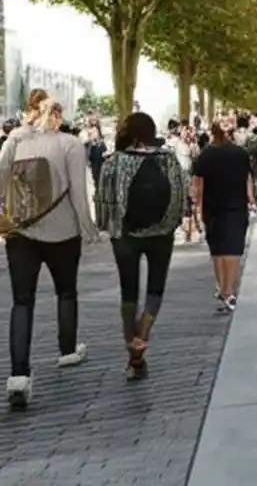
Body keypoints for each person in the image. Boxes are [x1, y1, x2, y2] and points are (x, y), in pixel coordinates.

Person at [0, 96, 98, 409]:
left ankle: (18, 376)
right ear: (58, 116)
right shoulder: (70, 144)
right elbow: (78, 192)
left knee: (22, 301)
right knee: (66, 291)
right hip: (63, 231)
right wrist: (88, 228)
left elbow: (1, 180)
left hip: (21, 231)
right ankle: (67, 351)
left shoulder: (14, 140)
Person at [96, 113, 186, 380]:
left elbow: (103, 201)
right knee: (155, 289)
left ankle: (133, 355)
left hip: (125, 234)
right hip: (161, 234)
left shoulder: (113, 163)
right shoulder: (169, 159)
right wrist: (173, 223)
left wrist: (106, 227)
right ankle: (143, 336)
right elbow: (180, 195)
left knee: (128, 291)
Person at [192, 121, 253, 314]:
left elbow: (198, 186)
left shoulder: (205, 155)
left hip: (212, 207)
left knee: (217, 250)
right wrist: (251, 200)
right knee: (233, 250)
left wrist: (199, 209)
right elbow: (247, 180)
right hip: (236, 206)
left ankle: (221, 288)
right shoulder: (242, 154)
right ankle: (229, 290)